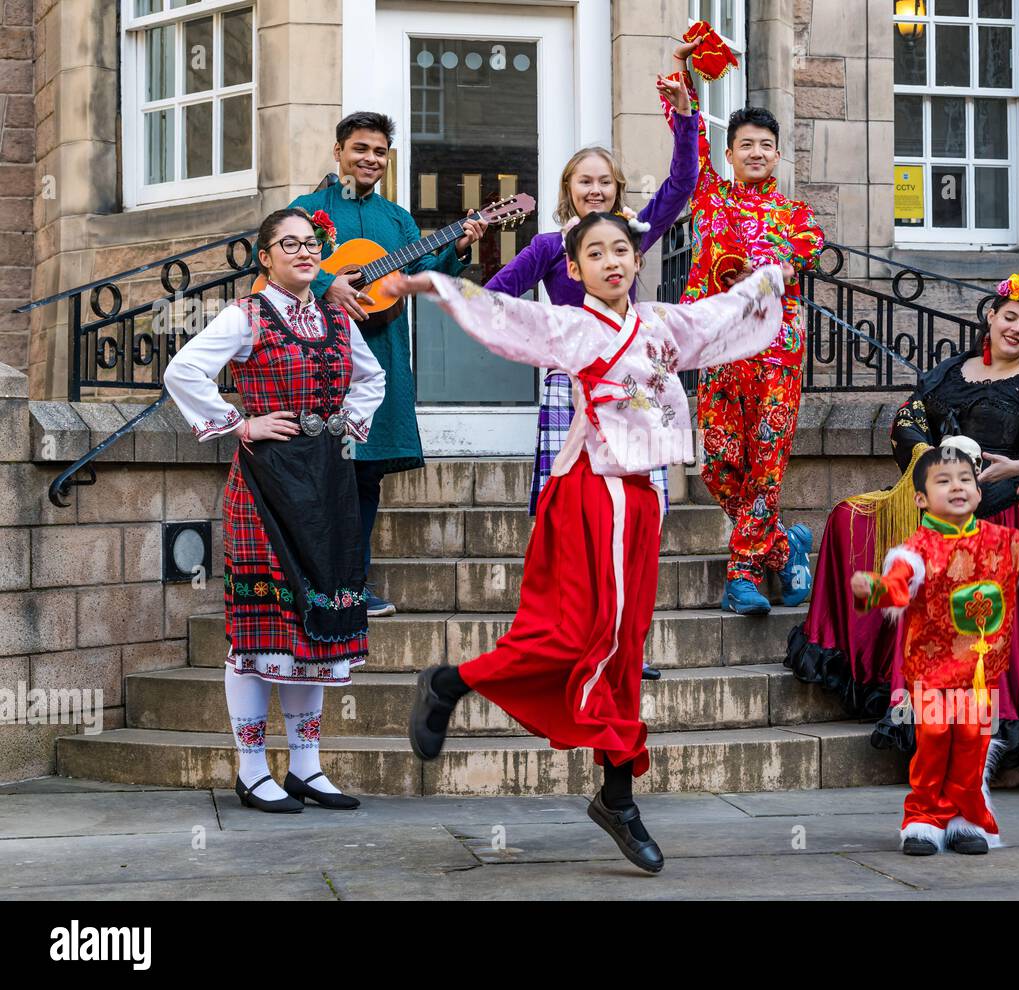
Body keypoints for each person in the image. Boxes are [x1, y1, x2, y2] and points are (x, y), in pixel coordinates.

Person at [402, 212, 789, 873]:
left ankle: (617, 798)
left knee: (624, 647)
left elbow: (724, 314)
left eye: (622, 250)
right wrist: (433, 285)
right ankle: (450, 683)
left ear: (637, 263)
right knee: (579, 637)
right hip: (589, 490)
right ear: (572, 271)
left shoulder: (663, 326)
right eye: (595, 253)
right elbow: (505, 316)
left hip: (639, 499)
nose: (612, 260)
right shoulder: (574, 326)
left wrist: (768, 280)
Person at [786, 273, 1019, 779]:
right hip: (938, 514)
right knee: (846, 519)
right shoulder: (948, 372)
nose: (1016, 329)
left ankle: (1005, 751)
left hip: (998, 515)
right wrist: (926, 455)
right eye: (1009, 317)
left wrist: (1016, 467)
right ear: (990, 316)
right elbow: (907, 419)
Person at [486, 46, 702, 679]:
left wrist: (684, 115)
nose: (596, 189)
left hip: (633, 387)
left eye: (605, 181)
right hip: (572, 392)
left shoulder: (631, 235)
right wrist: (547, 336)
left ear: (616, 190)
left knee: (639, 511)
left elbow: (683, 186)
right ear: (569, 192)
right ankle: (580, 638)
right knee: (574, 515)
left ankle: (627, 642)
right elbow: (497, 295)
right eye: (585, 181)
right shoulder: (551, 246)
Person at [164, 207, 386, 813]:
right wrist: (242, 423)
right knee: (261, 627)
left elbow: (372, 379)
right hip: (264, 485)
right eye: (288, 244)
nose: (303, 252)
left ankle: (307, 768)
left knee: (316, 626)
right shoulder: (247, 315)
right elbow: (182, 370)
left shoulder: (339, 320)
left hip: (327, 483)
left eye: (311, 243)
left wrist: (349, 422)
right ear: (265, 257)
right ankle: (252, 768)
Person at [288, 111, 488, 618]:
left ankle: (354, 585)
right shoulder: (307, 210)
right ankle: (312, 583)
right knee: (320, 472)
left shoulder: (397, 219)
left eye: (379, 152)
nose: (370, 159)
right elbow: (271, 264)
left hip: (378, 357)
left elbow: (424, 272)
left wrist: (459, 246)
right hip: (318, 360)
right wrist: (323, 284)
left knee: (364, 475)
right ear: (338, 152)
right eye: (360, 149)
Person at [850, 440, 1019, 854]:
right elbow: (897, 588)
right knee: (934, 740)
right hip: (932, 672)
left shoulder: (1002, 542)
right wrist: (874, 589)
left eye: (966, 479)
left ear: (979, 490)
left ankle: (967, 818)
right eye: (944, 480)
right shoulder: (917, 549)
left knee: (973, 743)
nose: (958, 486)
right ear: (920, 498)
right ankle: (924, 817)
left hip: (980, 671)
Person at [658, 65, 825, 616]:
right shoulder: (710, 200)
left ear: (778, 156)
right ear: (730, 154)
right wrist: (685, 100)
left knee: (765, 466)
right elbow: (690, 150)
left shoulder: (799, 218)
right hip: (719, 352)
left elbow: (795, 260)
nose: (756, 152)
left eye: (766, 145)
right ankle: (785, 545)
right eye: (745, 144)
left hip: (776, 354)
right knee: (718, 465)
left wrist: (756, 270)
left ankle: (743, 573)